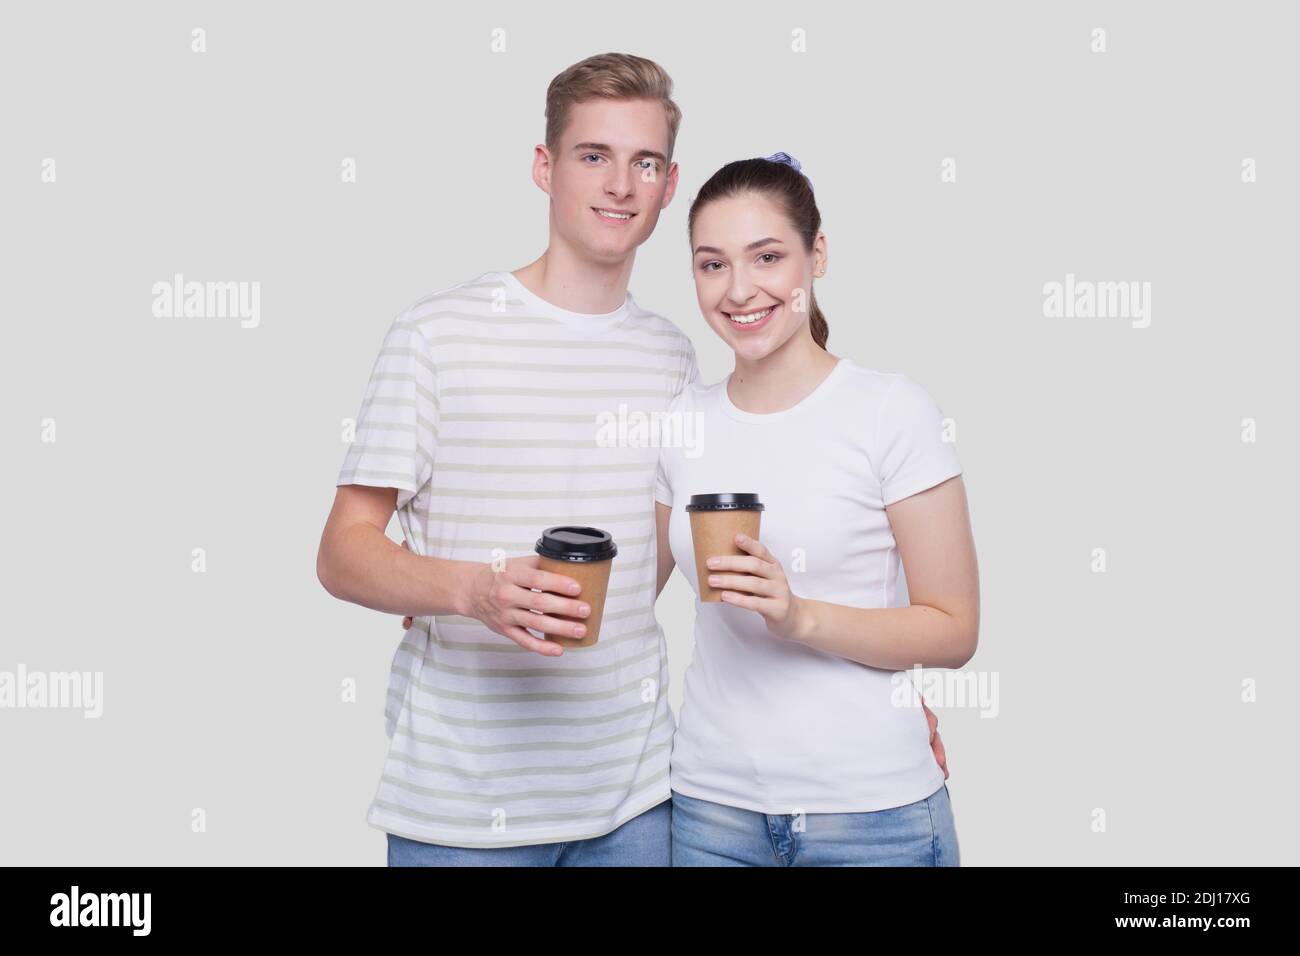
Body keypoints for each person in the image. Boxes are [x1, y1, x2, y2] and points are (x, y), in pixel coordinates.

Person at [326, 51, 949, 867]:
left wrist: (882, 706)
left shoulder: (675, 361)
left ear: (667, 181)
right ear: (545, 168)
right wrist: (466, 591)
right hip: (463, 812)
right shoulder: (435, 335)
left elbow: (684, 564)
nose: (620, 183)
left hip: (641, 803)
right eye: (594, 156)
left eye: (644, 162)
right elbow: (343, 551)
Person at [653, 153, 979, 866]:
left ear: (816, 255)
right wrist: (462, 588)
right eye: (712, 265)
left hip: (873, 818)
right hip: (711, 813)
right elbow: (621, 602)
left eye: (766, 256)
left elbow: (954, 631)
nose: (739, 289)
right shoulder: (683, 422)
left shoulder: (892, 411)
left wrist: (800, 616)